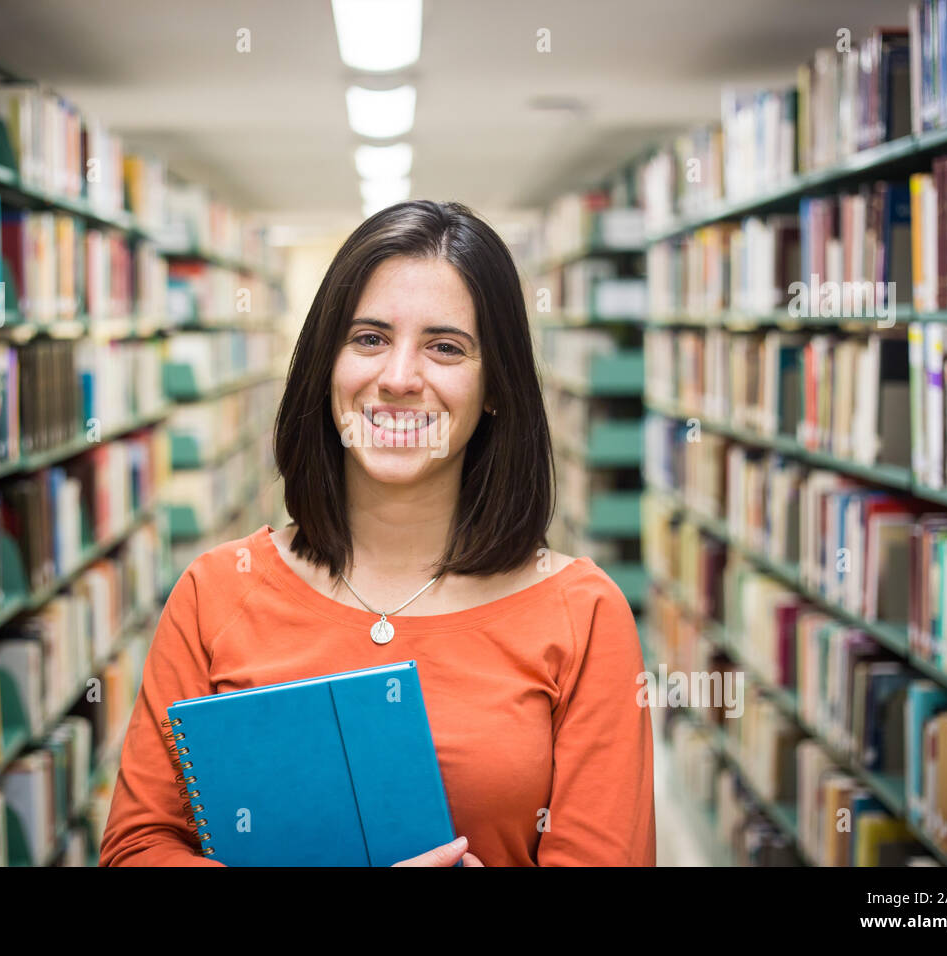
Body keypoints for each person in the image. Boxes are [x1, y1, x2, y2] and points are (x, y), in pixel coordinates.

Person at [98, 199, 655, 866]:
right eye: (369, 339)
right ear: (325, 365)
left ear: (497, 385)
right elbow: (139, 847)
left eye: (445, 347)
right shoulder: (214, 593)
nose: (397, 379)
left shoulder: (583, 616)